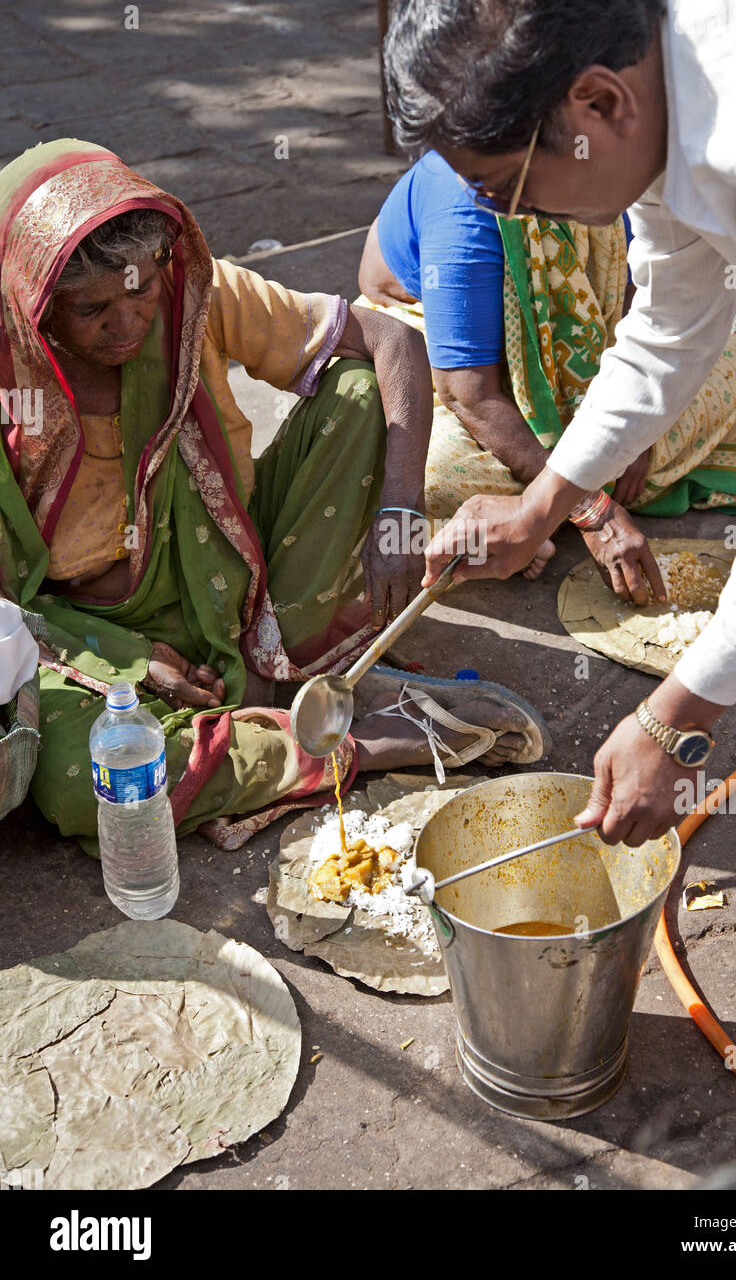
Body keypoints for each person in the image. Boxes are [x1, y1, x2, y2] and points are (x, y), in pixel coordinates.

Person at [383, 0, 736, 973]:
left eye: (506, 192)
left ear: (591, 104)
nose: (513, 224)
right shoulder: (640, 53)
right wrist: (543, 501)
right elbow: (670, 325)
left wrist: (671, 720)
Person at [0, 139, 549, 851]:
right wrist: (128, 661)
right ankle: (362, 740)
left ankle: (273, 674)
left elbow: (393, 348)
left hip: (232, 581)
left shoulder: (196, 296)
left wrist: (399, 515)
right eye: (93, 309)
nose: (130, 322)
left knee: (356, 395)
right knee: (82, 782)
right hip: (73, 632)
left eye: (141, 289)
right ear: (30, 304)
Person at [359, 150, 736, 590]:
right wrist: (594, 510)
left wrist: (638, 425)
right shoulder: (467, 203)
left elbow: (641, 295)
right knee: (439, 479)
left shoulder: (612, 167)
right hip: (442, 352)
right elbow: (468, 392)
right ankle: (541, 512)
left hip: (575, 346)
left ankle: (533, 514)